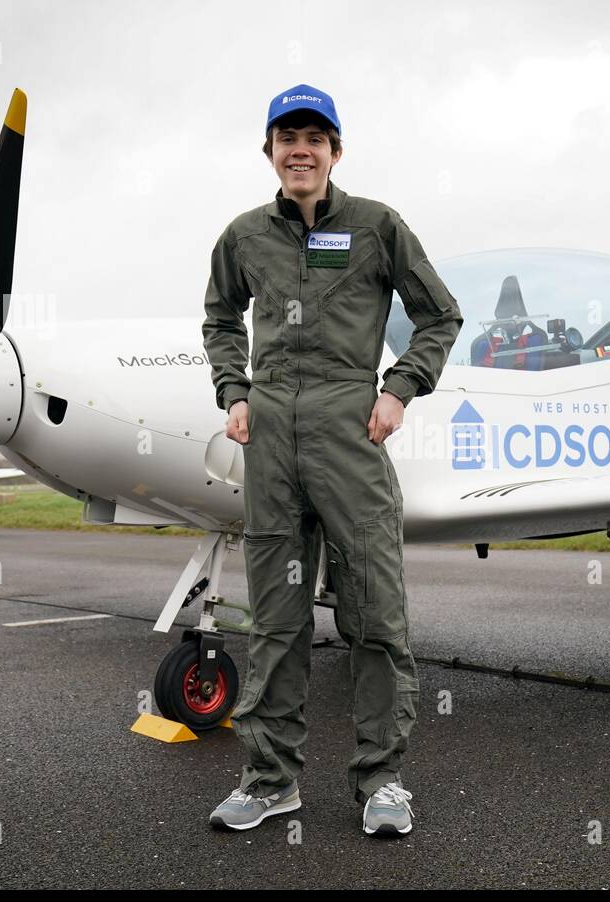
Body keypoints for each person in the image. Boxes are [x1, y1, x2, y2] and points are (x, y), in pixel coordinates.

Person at [200, 83, 463, 836]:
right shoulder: (244, 236)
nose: (301, 148)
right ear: (271, 152)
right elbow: (219, 315)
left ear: (336, 150)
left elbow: (440, 313)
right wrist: (235, 389)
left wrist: (400, 388)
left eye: (315, 136)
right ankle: (270, 779)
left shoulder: (378, 226)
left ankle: (383, 780)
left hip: (352, 431)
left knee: (375, 611)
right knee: (277, 619)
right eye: (288, 137)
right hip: (271, 436)